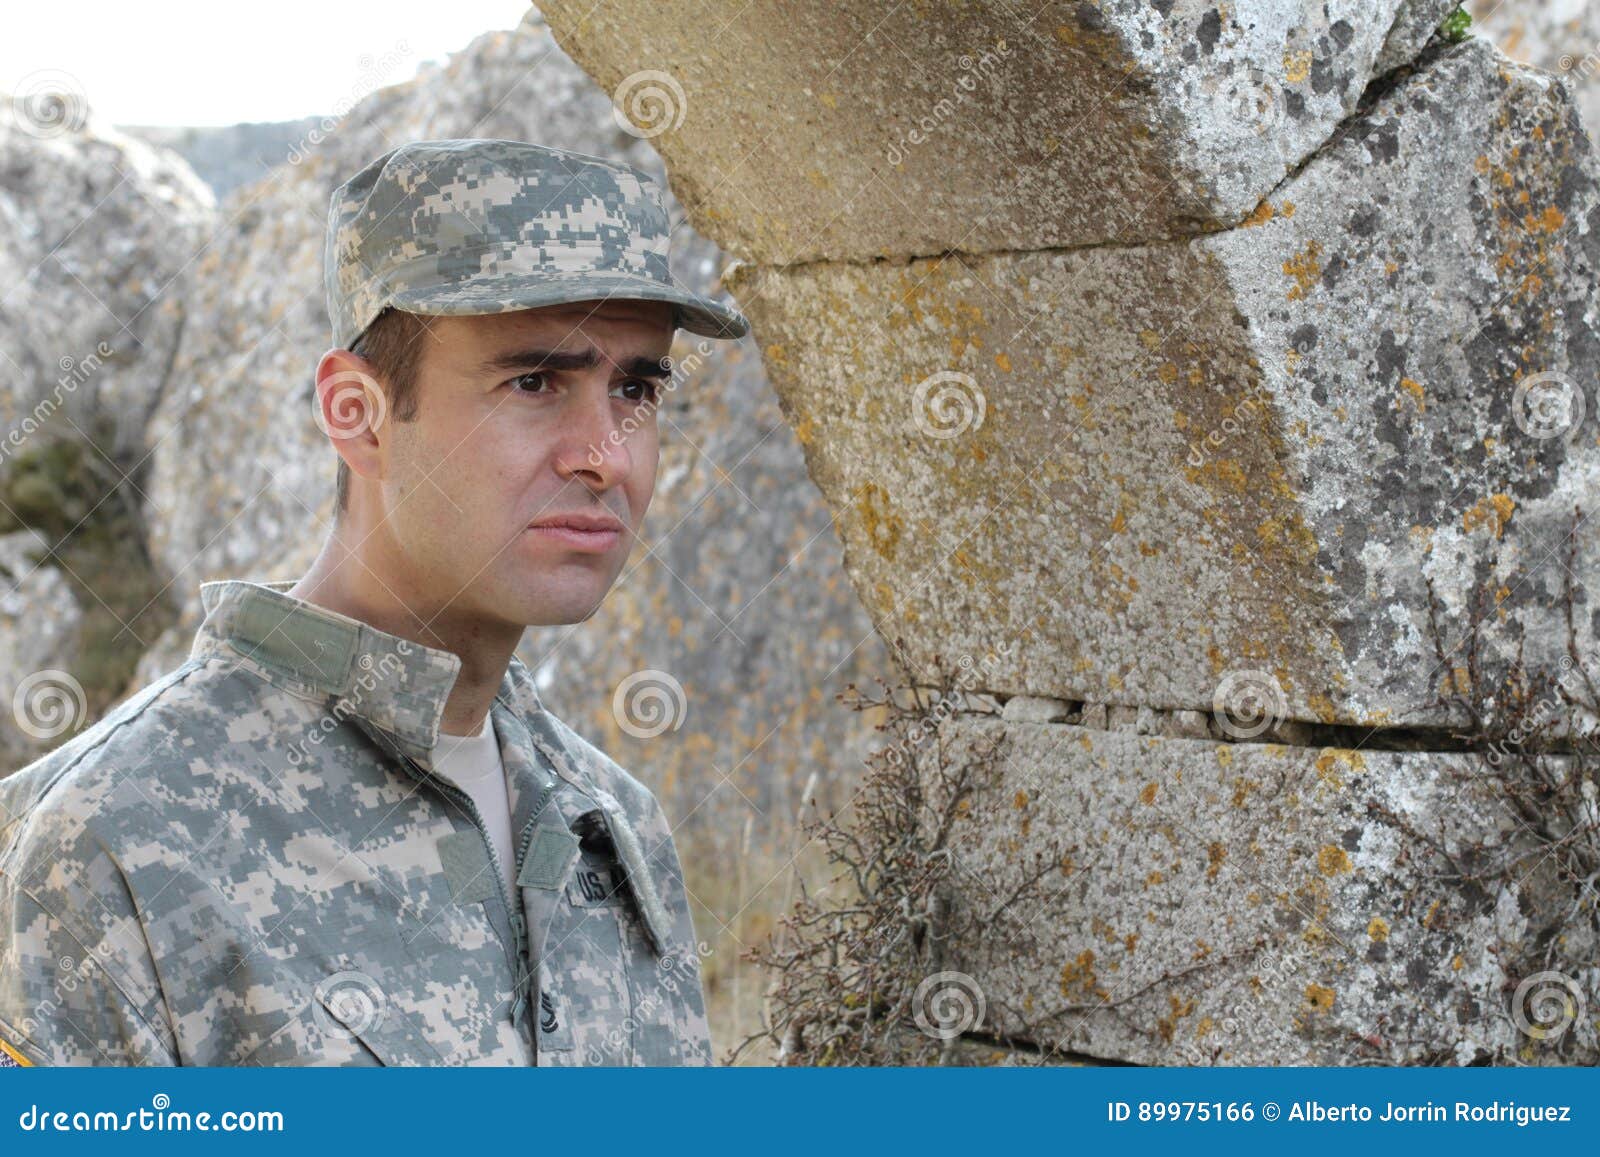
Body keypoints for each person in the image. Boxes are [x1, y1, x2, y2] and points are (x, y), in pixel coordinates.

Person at [0, 137, 749, 1066]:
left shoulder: (612, 825)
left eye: (635, 387)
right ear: (356, 412)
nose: (606, 454)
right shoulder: (110, 839)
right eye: (534, 382)